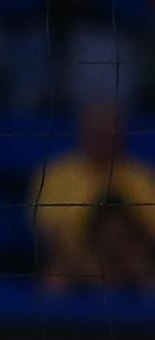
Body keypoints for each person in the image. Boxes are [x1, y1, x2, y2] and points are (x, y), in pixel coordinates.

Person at [30, 101, 155, 293]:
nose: (103, 138)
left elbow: (149, 231)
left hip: (131, 260)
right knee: (55, 276)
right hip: (75, 258)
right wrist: (83, 260)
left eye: (110, 133)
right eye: (98, 132)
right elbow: (47, 230)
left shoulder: (140, 176)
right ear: (84, 133)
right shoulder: (56, 174)